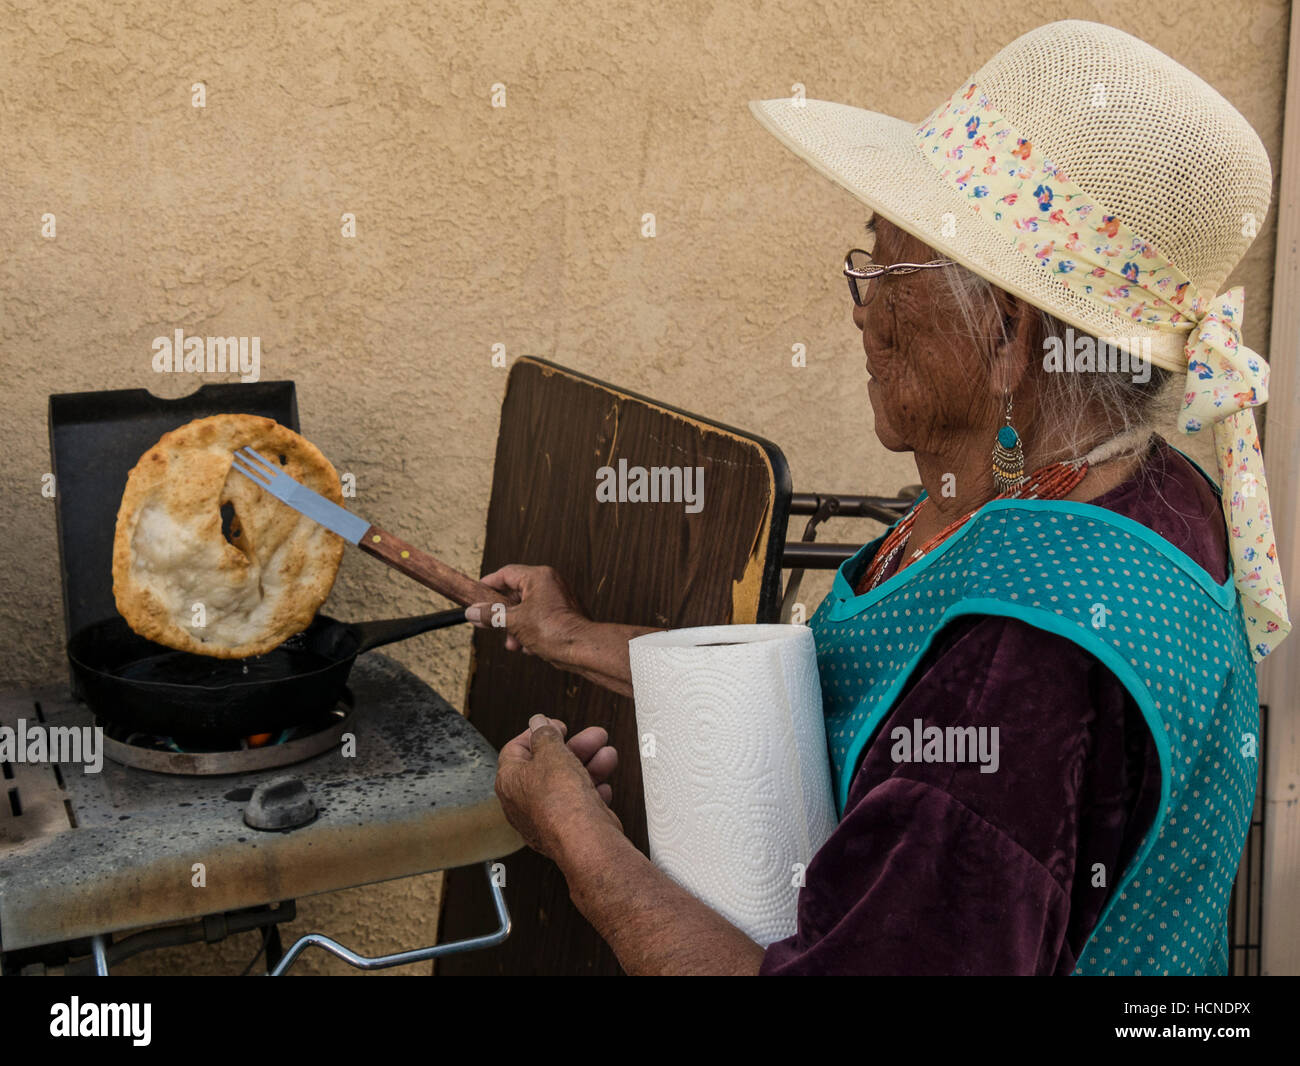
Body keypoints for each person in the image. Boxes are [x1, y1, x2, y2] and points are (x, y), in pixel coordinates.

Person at [466, 20, 1290, 975]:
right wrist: (570, 634)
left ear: (1008, 338)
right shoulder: (1131, 489)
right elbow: (867, 684)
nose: (860, 307)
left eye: (884, 268)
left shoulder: (1023, 667)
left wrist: (578, 842)